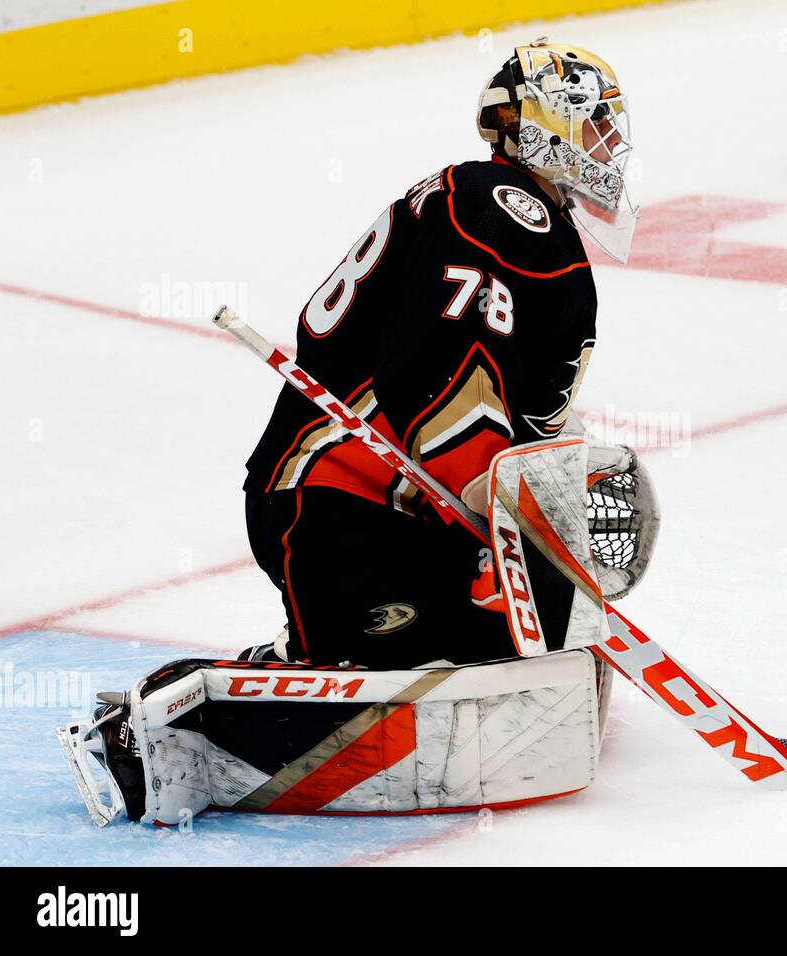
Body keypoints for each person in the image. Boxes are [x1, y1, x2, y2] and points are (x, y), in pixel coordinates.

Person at [240, 39, 638, 669]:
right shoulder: (500, 211)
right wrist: (495, 500)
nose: (610, 143)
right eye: (593, 121)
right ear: (544, 129)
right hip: (335, 499)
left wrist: (538, 499)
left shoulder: (525, 225)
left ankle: (311, 649)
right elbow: (443, 367)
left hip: (409, 507)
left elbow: (529, 417)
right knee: (457, 662)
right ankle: (274, 673)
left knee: (530, 646)